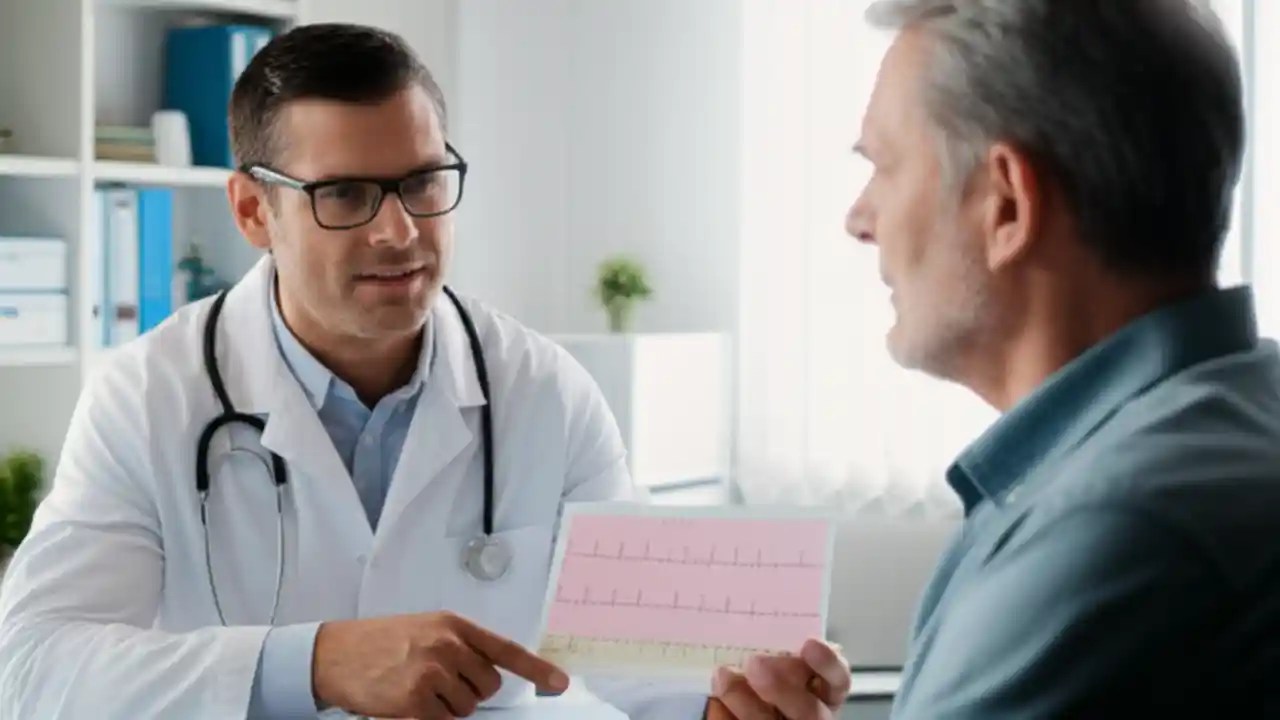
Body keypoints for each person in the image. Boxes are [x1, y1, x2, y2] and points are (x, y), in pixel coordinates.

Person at [0, 23, 846, 720]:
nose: (401, 232)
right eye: (345, 196)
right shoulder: (149, 397)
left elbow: (652, 671)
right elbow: (35, 670)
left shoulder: (543, 392)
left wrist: (743, 702)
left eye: (421, 182)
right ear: (255, 211)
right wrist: (316, 661)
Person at [845, 0, 1280, 716]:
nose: (860, 219)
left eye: (884, 169)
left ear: (1007, 205)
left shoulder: (1121, 524)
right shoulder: (1229, 424)